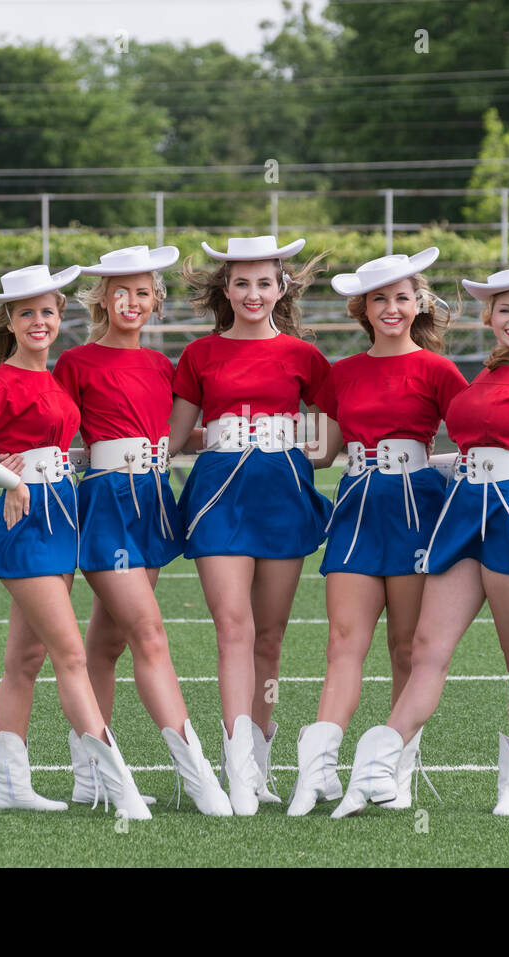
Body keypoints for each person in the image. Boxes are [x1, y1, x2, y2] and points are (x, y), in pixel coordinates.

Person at [332, 260, 509, 818]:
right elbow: (471, 452)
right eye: (505, 310)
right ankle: (381, 757)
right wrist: (419, 461)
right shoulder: (485, 376)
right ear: (490, 316)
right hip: (463, 510)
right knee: (426, 651)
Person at [0, 263, 151, 820]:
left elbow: (55, 446)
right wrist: (8, 478)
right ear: (10, 321)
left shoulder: (55, 377)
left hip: (65, 518)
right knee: (70, 655)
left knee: (25, 660)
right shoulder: (1, 381)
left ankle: (10, 785)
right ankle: (118, 784)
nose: (40, 320)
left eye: (49, 311)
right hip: (28, 525)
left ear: (62, 317)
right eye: (27, 312)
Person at [285, 249, 472, 816]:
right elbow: (323, 452)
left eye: (402, 297)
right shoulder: (341, 372)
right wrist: (238, 436)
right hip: (357, 507)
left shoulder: (439, 370)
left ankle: (394, 772)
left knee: (407, 650)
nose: (392, 308)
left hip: (418, 508)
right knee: (343, 644)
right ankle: (316, 772)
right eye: (380, 298)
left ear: (419, 305)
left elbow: (472, 437)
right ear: (363, 308)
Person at [51, 244, 230, 816]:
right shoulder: (75, 362)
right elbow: (49, 425)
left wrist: (245, 437)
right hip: (107, 502)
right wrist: (17, 460)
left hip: (155, 501)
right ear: (102, 299)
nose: (132, 301)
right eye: (121, 291)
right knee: (150, 635)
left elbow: (176, 435)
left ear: (156, 302)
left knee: (107, 646)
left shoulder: (163, 366)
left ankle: (88, 776)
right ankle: (197, 775)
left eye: (144, 292)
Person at [166, 235, 331, 815]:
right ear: (225, 289)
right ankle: (235, 767)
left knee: (269, 637)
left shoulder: (305, 356)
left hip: (283, 494)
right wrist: (228, 437)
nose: (253, 293)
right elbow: (173, 440)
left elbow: (332, 437)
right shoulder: (199, 355)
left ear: (281, 288)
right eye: (241, 283)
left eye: (265, 283)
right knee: (231, 627)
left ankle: (261, 764)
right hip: (218, 495)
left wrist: (298, 448)